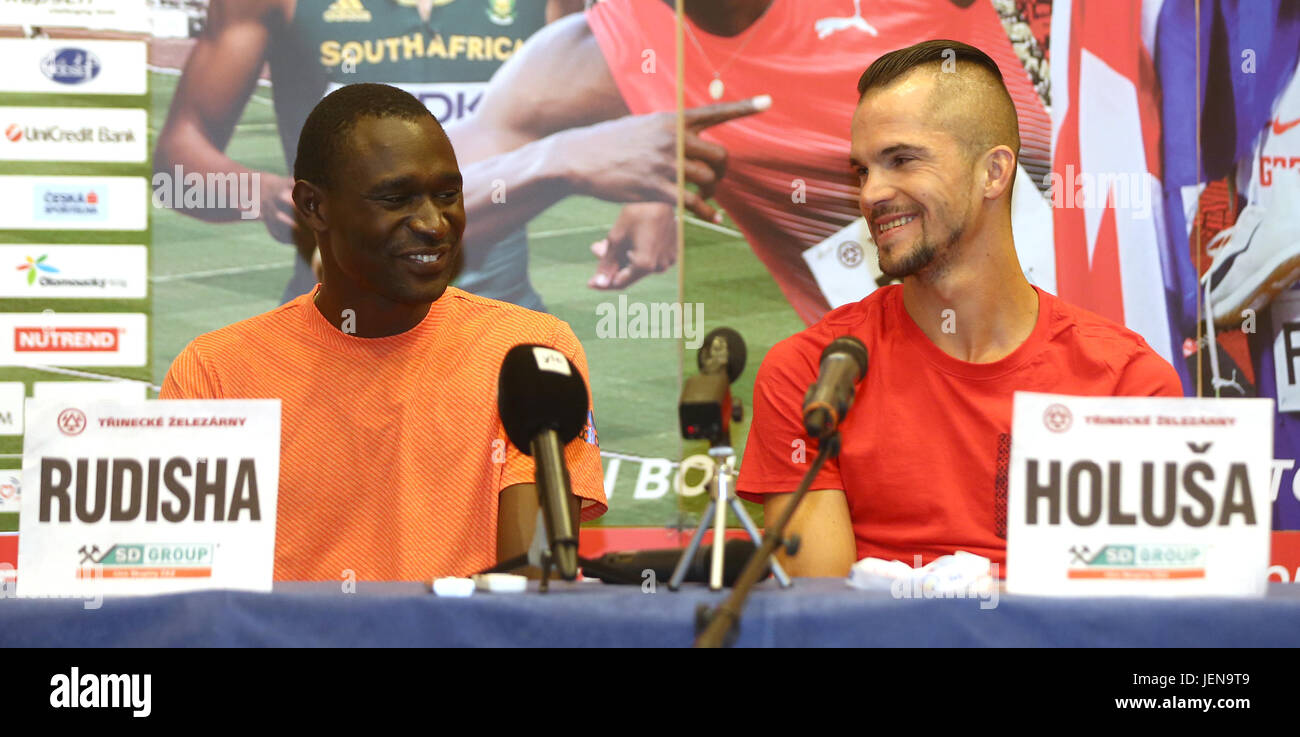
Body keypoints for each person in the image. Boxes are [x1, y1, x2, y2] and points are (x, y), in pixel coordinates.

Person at [734, 41, 1183, 577]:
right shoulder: (815, 379)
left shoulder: (1127, 385)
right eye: (862, 171)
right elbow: (821, 615)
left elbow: (1140, 617)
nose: (872, 192)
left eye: (901, 160)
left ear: (993, 173)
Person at [159, 84, 607, 581]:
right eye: (396, 198)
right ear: (313, 207)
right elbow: (192, 595)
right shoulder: (215, 373)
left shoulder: (531, 356)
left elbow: (534, 586)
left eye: (447, 195)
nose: (435, 224)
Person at [154, 0, 587, 310]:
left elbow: (609, 119)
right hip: (337, 328)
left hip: (499, 327)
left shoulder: (552, 6)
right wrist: (262, 194)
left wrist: (649, 202)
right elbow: (176, 161)